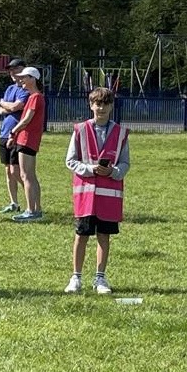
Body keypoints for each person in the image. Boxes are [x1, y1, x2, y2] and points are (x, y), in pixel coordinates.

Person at [63, 86, 130, 294]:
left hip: (109, 196)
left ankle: (100, 278)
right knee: (81, 235)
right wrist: (91, 169)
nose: (101, 108)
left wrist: (113, 171)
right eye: (97, 103)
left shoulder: (120, 133)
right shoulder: (80, 130)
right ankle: (76, 277)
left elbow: (126, 163)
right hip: (86, 194)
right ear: (91, 105)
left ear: (111, 106)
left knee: (104, 236)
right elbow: (70, 161)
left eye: (105, 104)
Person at [8, 67, 47, 222]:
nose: (21, 80)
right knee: (30, 175)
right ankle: (36, 209)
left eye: (24, 77)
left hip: (27, 140)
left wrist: (13, 132)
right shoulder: (34, 97)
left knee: (26, 175)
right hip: (26, 139)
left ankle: (31, 211)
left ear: (33, 79)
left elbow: (26, 120)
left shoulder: (35, 97)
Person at [0, 58, 29, 214]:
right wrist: (6, 106)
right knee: (8, 170)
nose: (12, 72)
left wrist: (4, 104)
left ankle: (31, 199)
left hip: (17, 133)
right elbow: (1, 110)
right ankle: (14, 202)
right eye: (10, 70)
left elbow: (18, 106)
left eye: (16, 69)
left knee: (16, 171)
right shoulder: (9, 89)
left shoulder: (26, 89)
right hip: (4, 133)